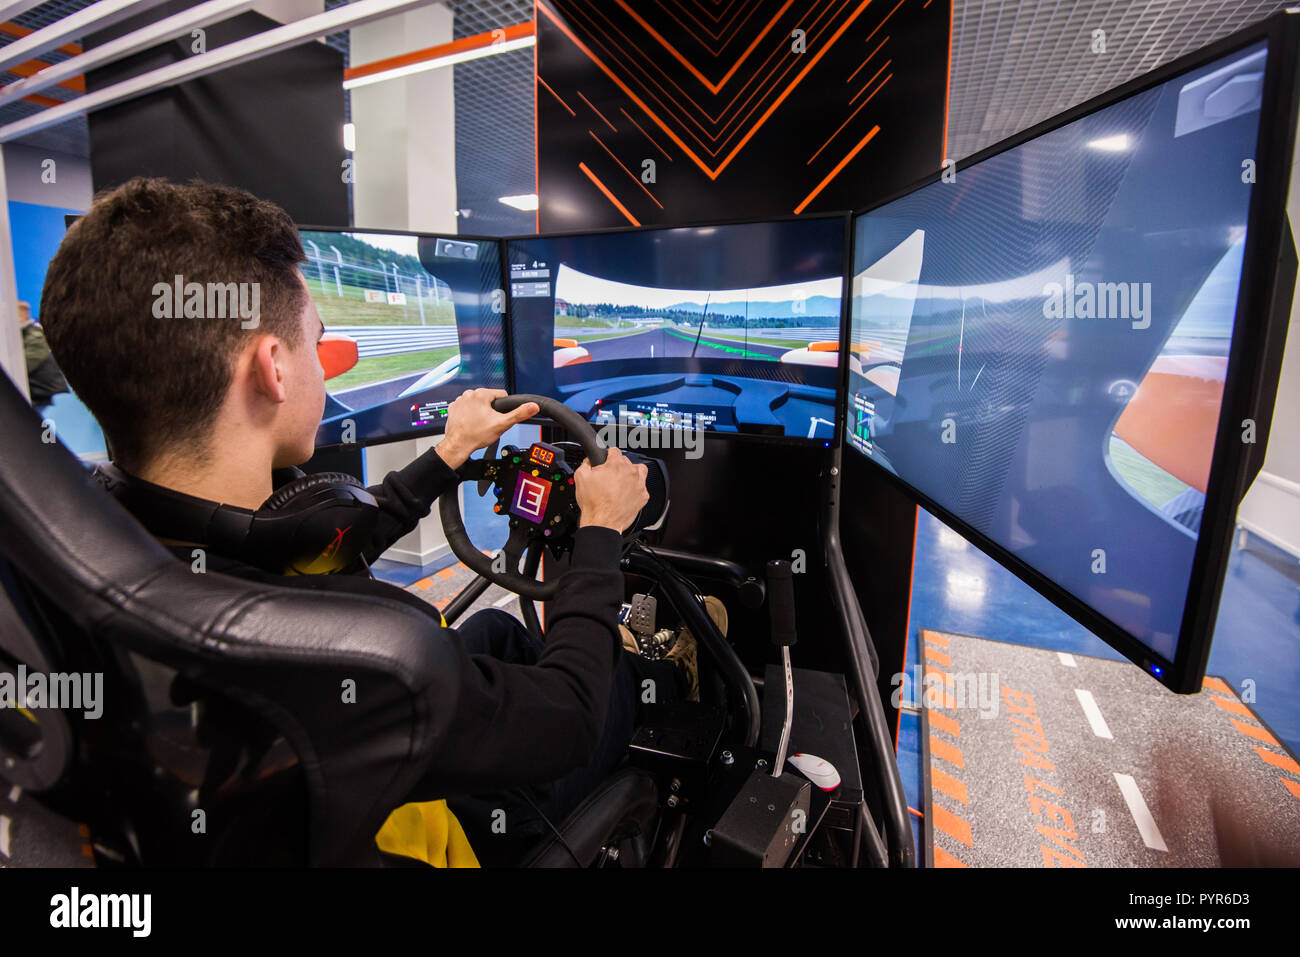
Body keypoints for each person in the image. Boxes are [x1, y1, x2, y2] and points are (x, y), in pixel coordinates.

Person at [38, 177, 692, 866]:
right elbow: (569, 719)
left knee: (498, 628)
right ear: (273, 368)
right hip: (431, 833)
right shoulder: (361, 646)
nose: (325, 359)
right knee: (615, 681)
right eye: (317, 341)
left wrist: (446, 453)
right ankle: (672, 696)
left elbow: (303, 540)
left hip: (317, 784)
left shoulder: (107, 535)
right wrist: (598, 539)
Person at [17, 300, 69, 414]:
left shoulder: (35, 335)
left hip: (39, 392)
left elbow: (25, 365)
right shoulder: (24, 333)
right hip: (34, 391)